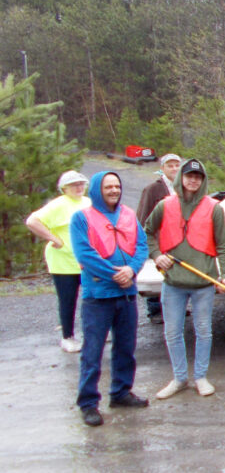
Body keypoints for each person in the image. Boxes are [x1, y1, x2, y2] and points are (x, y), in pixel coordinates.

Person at [144, 159, 225, 398]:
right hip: (173, 283)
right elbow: (148, 232)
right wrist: (156, 255)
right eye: (189, 175)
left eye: (198, 176)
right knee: (172, 332)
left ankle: (200, 377)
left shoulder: (214, 208)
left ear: (203, 180)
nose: (193, 180)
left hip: (203, 284)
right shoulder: (164, 206)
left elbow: (224, 246)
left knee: (204, 331)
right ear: (180, 177)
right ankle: (179, 378)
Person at [70, 171, 150, 427]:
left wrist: (132, 269)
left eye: (117, 186)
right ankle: (88, 403)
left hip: (126, 295)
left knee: (126, 347)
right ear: (97, 189)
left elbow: (142, 246)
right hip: (98, 296)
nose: (114, 190)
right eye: (108, 187)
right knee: (93, 352)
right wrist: (115, 275)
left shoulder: (127, 214)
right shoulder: (81, 218)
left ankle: (121, 392)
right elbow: (85, 254)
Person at [26, 170, 91, 353]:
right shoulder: (58, 205)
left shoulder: (88, 203)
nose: (78, 187)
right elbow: (32, 221)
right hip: (63, 261)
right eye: (73, 185)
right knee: (68, 299)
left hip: (85, 260)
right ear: (64, 188)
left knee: (93, 298)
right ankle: (67, 337)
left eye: (81, 184)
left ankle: (93, 332)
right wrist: (53, 238)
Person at [136, 153, 182, 325]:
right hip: (158, 238)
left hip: (177, 238)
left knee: (175, 271)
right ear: (162, 168)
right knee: (158, 272)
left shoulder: (183, 187)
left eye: (177, 165)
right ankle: (155, 309)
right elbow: (143, 216)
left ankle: (176, 306)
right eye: (170, 166)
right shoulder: (152, 189)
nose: (174, 169)